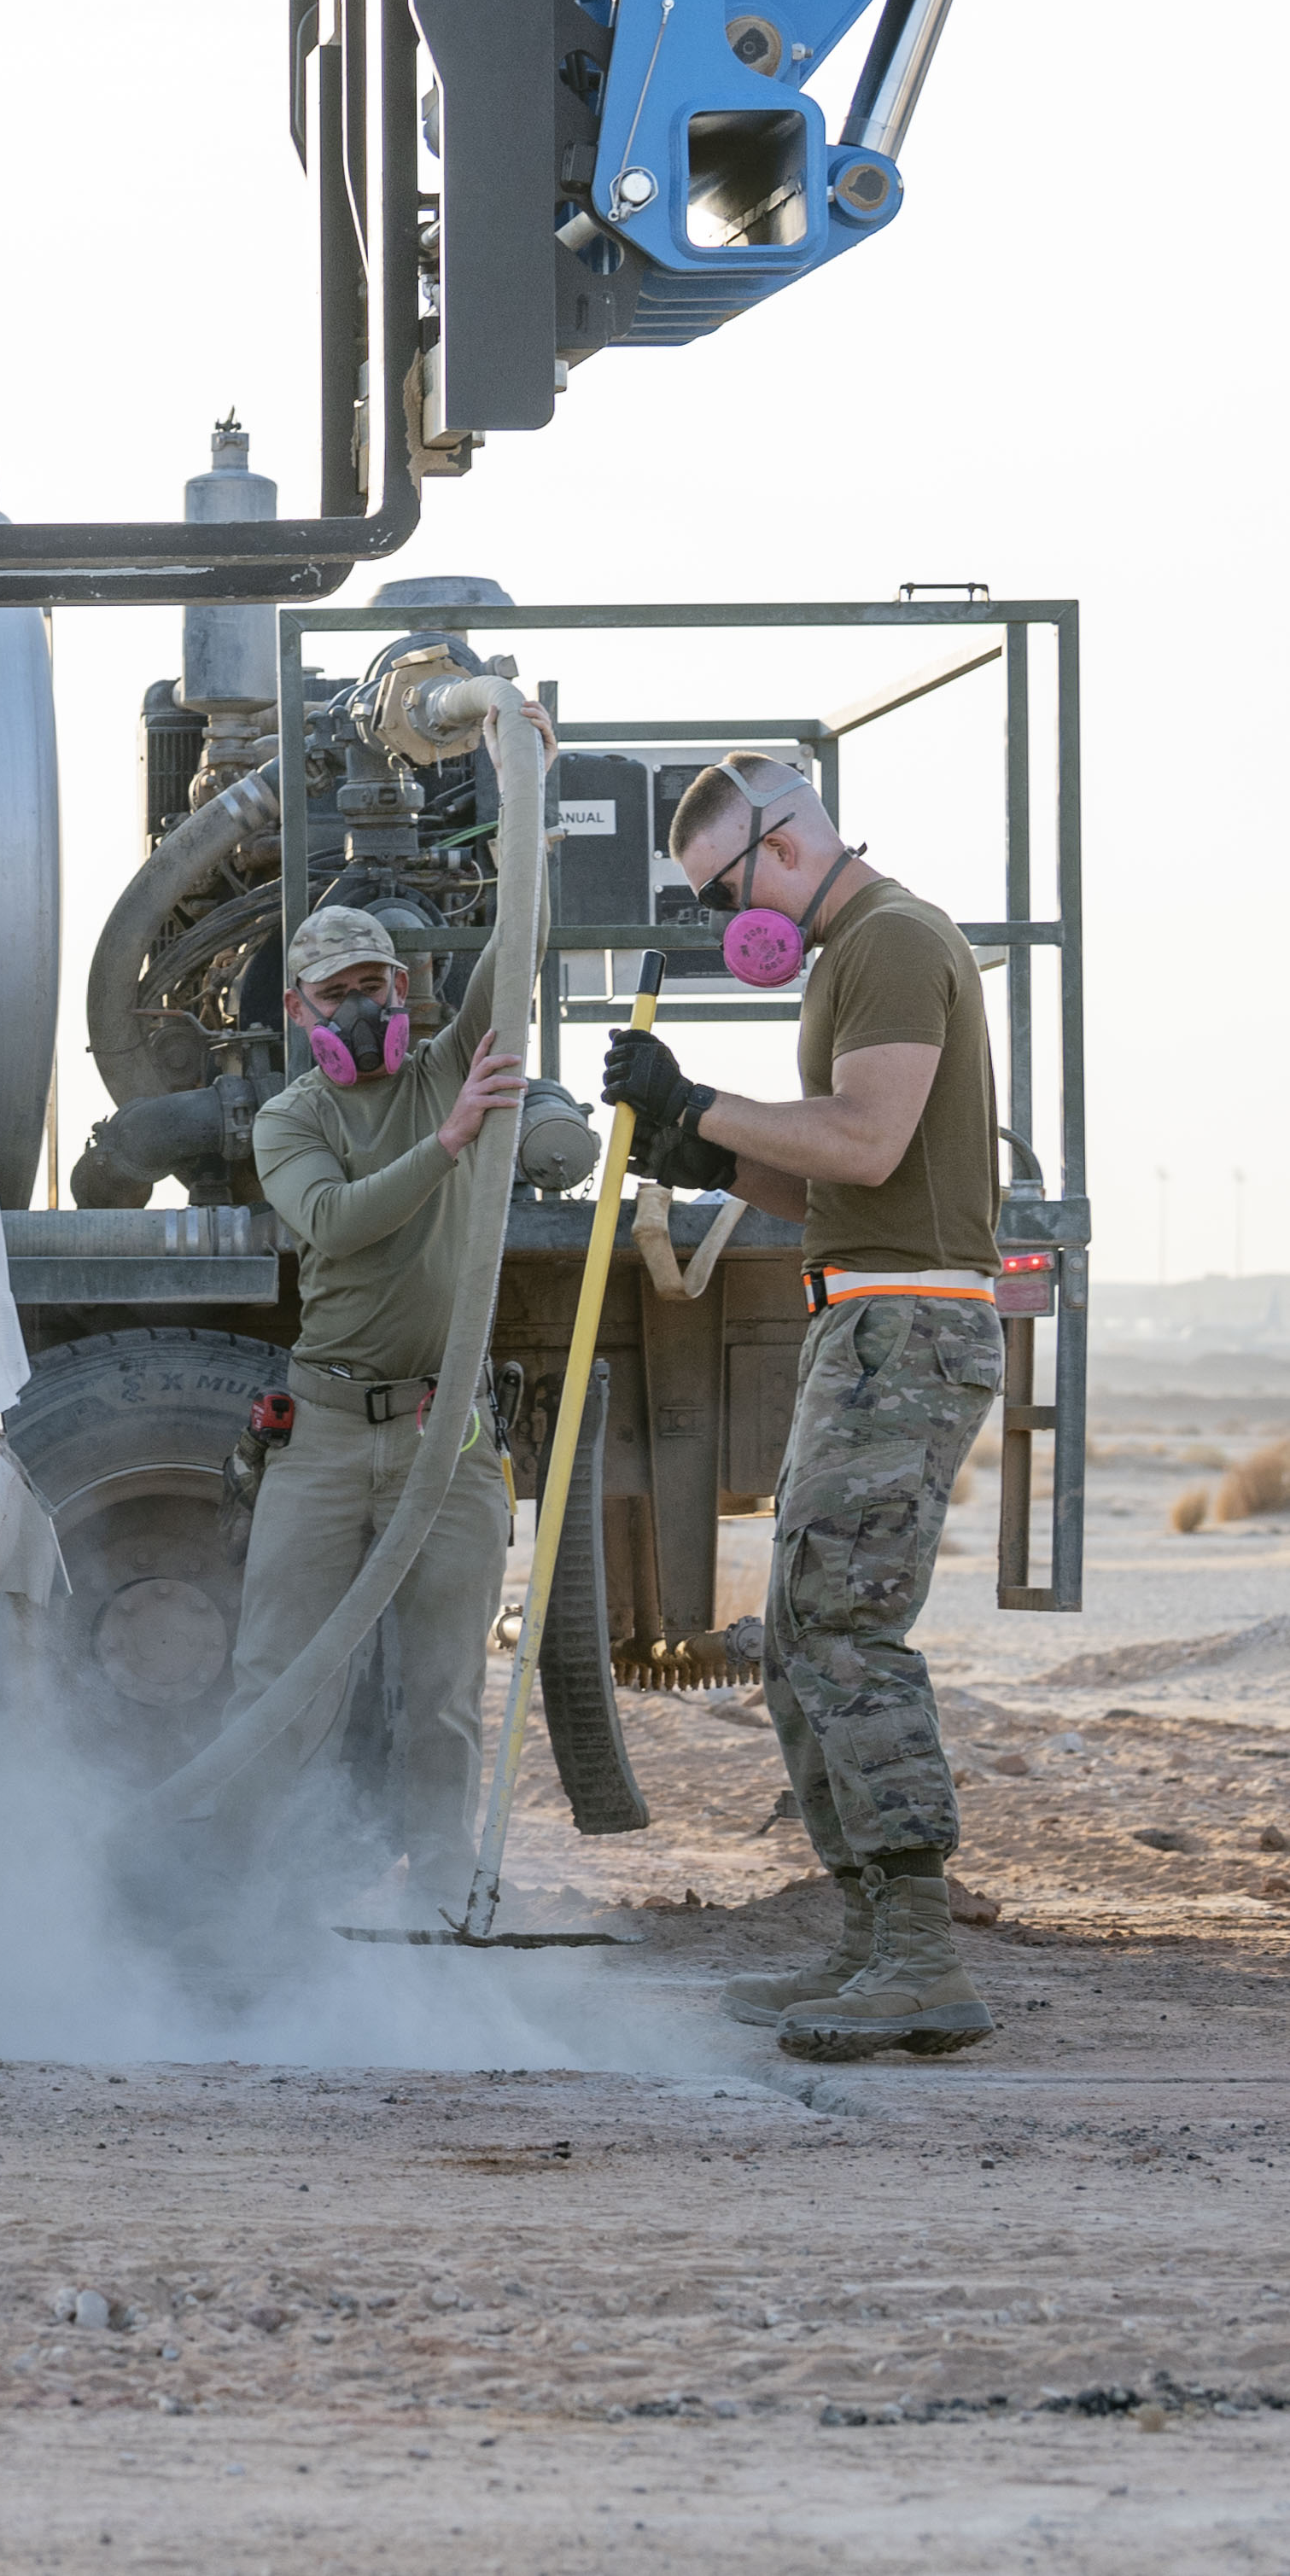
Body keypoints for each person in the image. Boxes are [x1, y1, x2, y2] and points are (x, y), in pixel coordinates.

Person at [607, 755, 1003, 2060]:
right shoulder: (851, 958)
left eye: (723, 895)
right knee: (800, 1630)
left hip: (906, 1326)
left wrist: (698, 1099)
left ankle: (919, 1953)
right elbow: (833, 1187)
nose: (730, 929)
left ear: (778, 847)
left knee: (841, 1626)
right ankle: (868, 1939)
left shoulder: (888, 942)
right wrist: (704, 1154)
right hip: (866, 1309)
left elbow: (868, 1142)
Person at [225, 900, 566, 1906]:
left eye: (372, 987)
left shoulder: (447, 1066)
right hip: (324, 1436)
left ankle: (445, 1897)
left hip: (444, 1432)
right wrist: (451, 1141)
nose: (360, 1008)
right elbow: (335, 1218)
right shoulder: (294, 1118)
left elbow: (518, 947)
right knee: (281, 1684)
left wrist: (525, 823)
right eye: (335, 995)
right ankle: (251, 1898)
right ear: (298, 1010)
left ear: (402, 988)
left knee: (442, 1696)